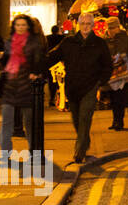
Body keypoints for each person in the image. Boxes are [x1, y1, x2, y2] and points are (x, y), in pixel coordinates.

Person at [47, 12, 112, 164]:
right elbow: (52, 57)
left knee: (85, 117)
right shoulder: (68, 42)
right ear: (77, 25)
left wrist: (100, 81)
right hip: (72, 86)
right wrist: (37, 66)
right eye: (82, 23)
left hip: (90, 86)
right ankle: (84, 140)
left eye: (88, 24)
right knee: (76, 119)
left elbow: (107, 65)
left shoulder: (99, 43)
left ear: (93, 25)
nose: (85, 27)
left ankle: (79, 150)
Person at [0, 15, 46, 159]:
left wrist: (35, 73)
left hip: (26, 86)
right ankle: (5, 153)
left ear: (28, 27)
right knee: (7, 121)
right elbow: (5, 63)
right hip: (10, 86)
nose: (20, 28)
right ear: (14, 27)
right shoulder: (9, 42)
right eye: (18, 25)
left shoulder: (34, 43)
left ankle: (33, 151)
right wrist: (1, 57)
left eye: (23, 25)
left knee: (29, 122)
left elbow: (39, 62)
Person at [102, 16, 128, 131]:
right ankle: (115, 120)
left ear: (118, 27)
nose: (113, 30)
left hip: (123, 71)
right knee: (113, 98)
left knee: (120, 97)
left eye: (114, 28)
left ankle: (119, 121)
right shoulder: (103, 40)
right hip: (110, 73)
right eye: (110, 28)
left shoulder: (127, 38)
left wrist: (125, 57)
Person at [45, 25, 64, 107]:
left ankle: (52, 98)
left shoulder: (47, 38)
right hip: (59, 62)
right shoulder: (62, 38)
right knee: (59, 81)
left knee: (51, 81)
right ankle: (58, 98)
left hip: (50, 62)